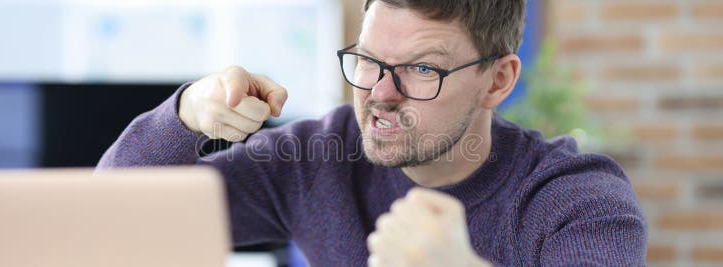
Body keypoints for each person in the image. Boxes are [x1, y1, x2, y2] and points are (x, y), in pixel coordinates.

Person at [98, 0, 647, 266]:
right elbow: (112, 222)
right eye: (367, 60)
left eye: (421, 69)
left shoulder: (576, 200)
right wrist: (186, 114)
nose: (380, 93)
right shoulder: (315, 157)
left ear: (497, 81)